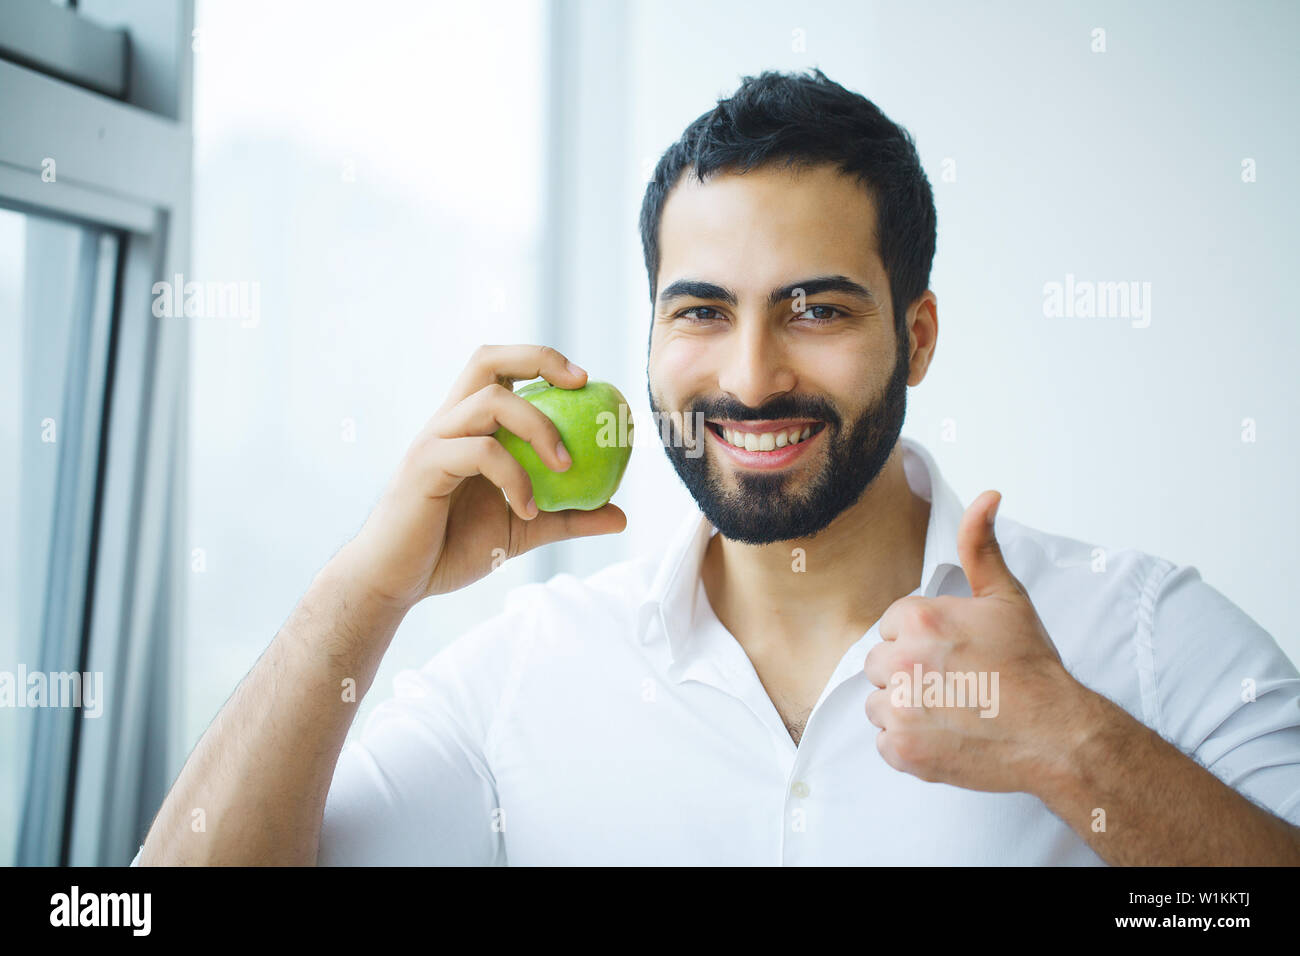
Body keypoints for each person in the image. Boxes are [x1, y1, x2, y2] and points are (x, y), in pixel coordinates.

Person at [133, 68, 1300, 865]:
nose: (749, 377)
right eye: (700, 310)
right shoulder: (522, 678)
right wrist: (363, 592)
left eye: (814, 308)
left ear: (919, 334)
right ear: (649, 337)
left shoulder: (1137, 636)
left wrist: (1073, 747)